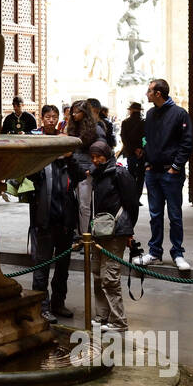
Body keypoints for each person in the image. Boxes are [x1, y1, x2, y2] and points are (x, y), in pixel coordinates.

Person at [78, 140, 140, 333]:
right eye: (93, 157)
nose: (96, 160)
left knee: (110, 277)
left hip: (116, 232)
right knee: (97, 274)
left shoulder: (120, 173)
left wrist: (128, 231)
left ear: (107, 154)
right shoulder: (96, 174)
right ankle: (102, 316)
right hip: (99, 231)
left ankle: (118, 321)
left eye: (99, 156)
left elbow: (132, 204)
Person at [135, 79, 193, 271]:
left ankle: (177, 253)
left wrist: (176, 167)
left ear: (158, 93)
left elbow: (187, 143)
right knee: (155, 214)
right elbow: (146, 140)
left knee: (175, 215)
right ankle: (155, 253)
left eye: (149, 91)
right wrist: (146, 163)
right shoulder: (151, 114)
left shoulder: (179, 114)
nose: (147, 94)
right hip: (153, 172)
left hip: (171, 173)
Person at [27, 152, 79, 323]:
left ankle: (58, 303)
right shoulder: (42, 166)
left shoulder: (69, 166)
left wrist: (70, 158)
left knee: (62, 269)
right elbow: (30, 174)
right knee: (42, 267)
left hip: (66, 226)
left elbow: (80, 175)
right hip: (46, 224)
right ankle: (42, 307)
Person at [119, 101, 146, 189]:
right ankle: (138, 196)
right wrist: (141, 149)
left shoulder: (125, 122)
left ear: (131, 110)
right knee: (141, 175)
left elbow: (124, 138)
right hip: (142, 152)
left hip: (130, 152)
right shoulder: (144, 122)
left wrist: (134, 149)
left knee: (131, 174)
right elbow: (146, 138)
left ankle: (132, 197)